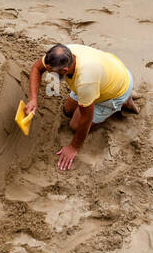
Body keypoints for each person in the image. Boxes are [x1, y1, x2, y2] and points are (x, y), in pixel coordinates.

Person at [26, 42, 138, 171]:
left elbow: (86, 118)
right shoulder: (61, 54)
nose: (50, 74)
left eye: (52, 72)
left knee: (75, 126)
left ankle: (123, 101)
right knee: (67, 110)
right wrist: (33, 99)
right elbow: (37, 68)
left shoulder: (85, 81)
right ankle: (124, 95)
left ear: (65, 70)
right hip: (109, 72)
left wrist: (74, 147)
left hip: (112, 91)